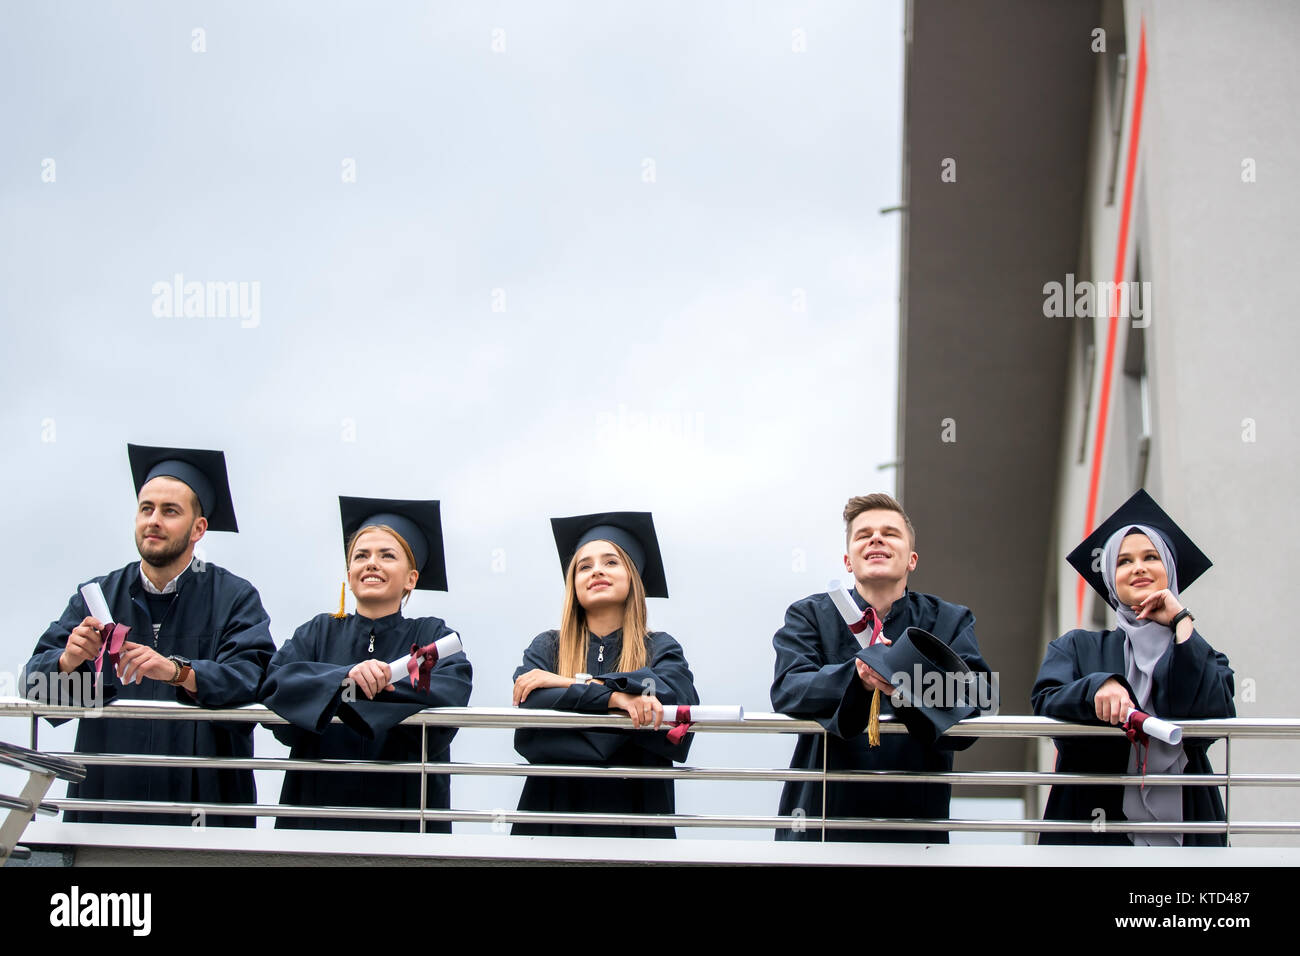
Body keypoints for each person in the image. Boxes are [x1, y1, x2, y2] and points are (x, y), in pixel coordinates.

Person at [22, 443, 275, 826]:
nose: (153, 520)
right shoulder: (97, 596)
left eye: (170, 511)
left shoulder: (234, 598)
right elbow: (34, 689)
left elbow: (254, 679)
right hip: (105, 806)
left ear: (198, 529)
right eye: (146, 508)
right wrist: (67, 661)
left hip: (205, 812)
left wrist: (178, 672)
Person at [770, 493, 993, 842]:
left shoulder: (950, 620)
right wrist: (856, 675)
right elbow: (788, 690)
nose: (876, 538)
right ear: (848, 561)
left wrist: (904, 683)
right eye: (863, 534)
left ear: (912, 559)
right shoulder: (809, 616)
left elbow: (978, 698)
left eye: (890, 533)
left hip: (914, 822)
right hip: (821, 820)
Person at [1031, 489, 1235, 846]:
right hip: (1095, 834)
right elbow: (1046, 702)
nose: (1138, 567)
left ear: (1168, 570)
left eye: (1150, 557)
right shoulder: (1078, 647)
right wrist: (1098, 686)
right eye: (1124, 561)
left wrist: (1181, 621)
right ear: (1111, 578)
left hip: (1188, 834)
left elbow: (1210, 721)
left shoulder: (1203, 654)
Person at [260, 497, 473, 832]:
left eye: (387, 556)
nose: (372, 563)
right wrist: (344, 677)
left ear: (411, 579)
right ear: (349, 574)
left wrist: (378, 681)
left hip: (404, 815)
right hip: (316, 814)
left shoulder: (433, 635)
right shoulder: (318, 632)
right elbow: (276, 683)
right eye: (361, 556)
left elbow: (451, 690)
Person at [511, 511, 698, 838]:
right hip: (552, 816)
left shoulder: (660, 648)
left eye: (611, 562)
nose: (596, 570)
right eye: (584, 566)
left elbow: (675, 702)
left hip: (636, 815)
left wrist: (565, 684)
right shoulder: (548, 647)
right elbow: (530, 701)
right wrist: (616, 698)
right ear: (574, 584)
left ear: (633, 578)